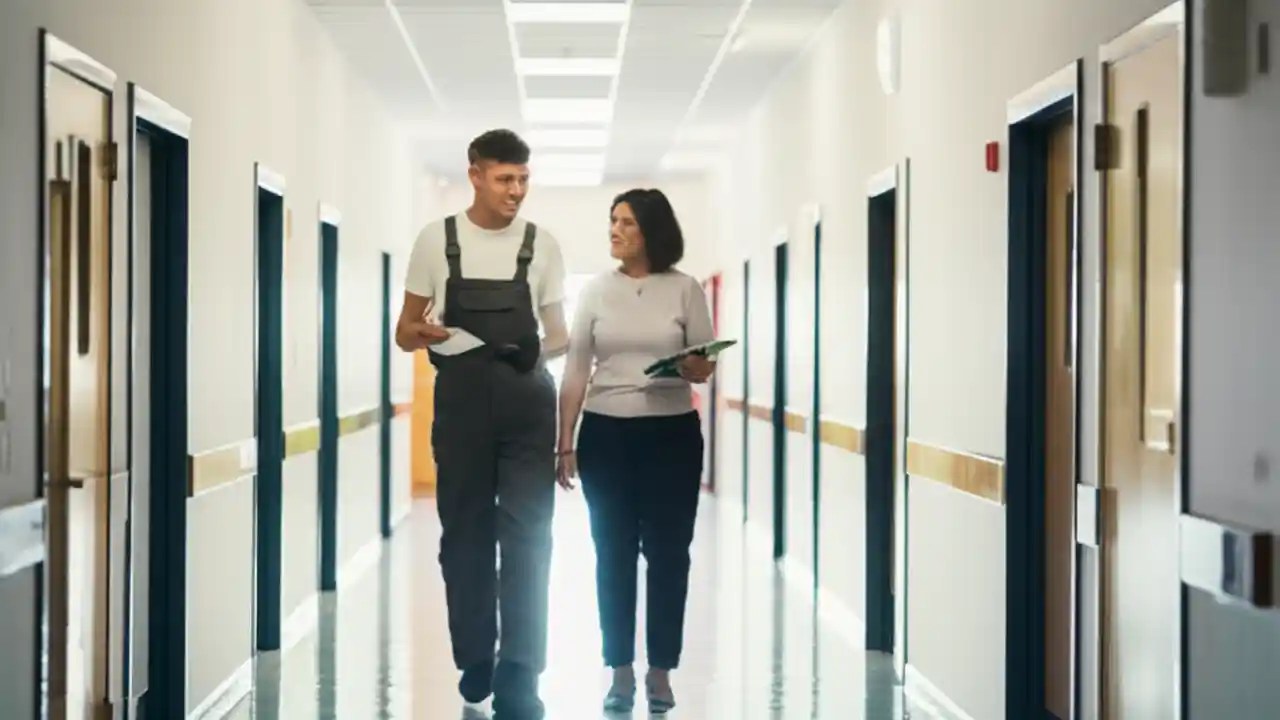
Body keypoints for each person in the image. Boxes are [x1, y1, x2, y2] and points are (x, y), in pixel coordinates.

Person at [396, 129, 568, 719]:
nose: (516, 191)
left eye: (523, 179)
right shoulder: (436, 241)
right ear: (475, 175)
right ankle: (476, 658)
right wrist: (433, 334)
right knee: (464, 538)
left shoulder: (541, 245)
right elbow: (404, 332)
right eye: (504, 179)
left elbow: (562, 332)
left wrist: (537, 351)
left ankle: (521, 673)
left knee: (528, 539)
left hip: (527, 403)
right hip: (462, 403)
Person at [555, 188, 715, 715]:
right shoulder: (597, 292)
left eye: (625, 222)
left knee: (670, 557)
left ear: (651, 230)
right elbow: (577, 367)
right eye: (612, 221)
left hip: (672, 435)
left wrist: (695, 368)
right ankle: (620, 669)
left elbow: (703, 362)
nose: (614, 230)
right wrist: (565, 442)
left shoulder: (685, 289)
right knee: (614, 555)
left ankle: (662, 671)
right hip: (607, 435)